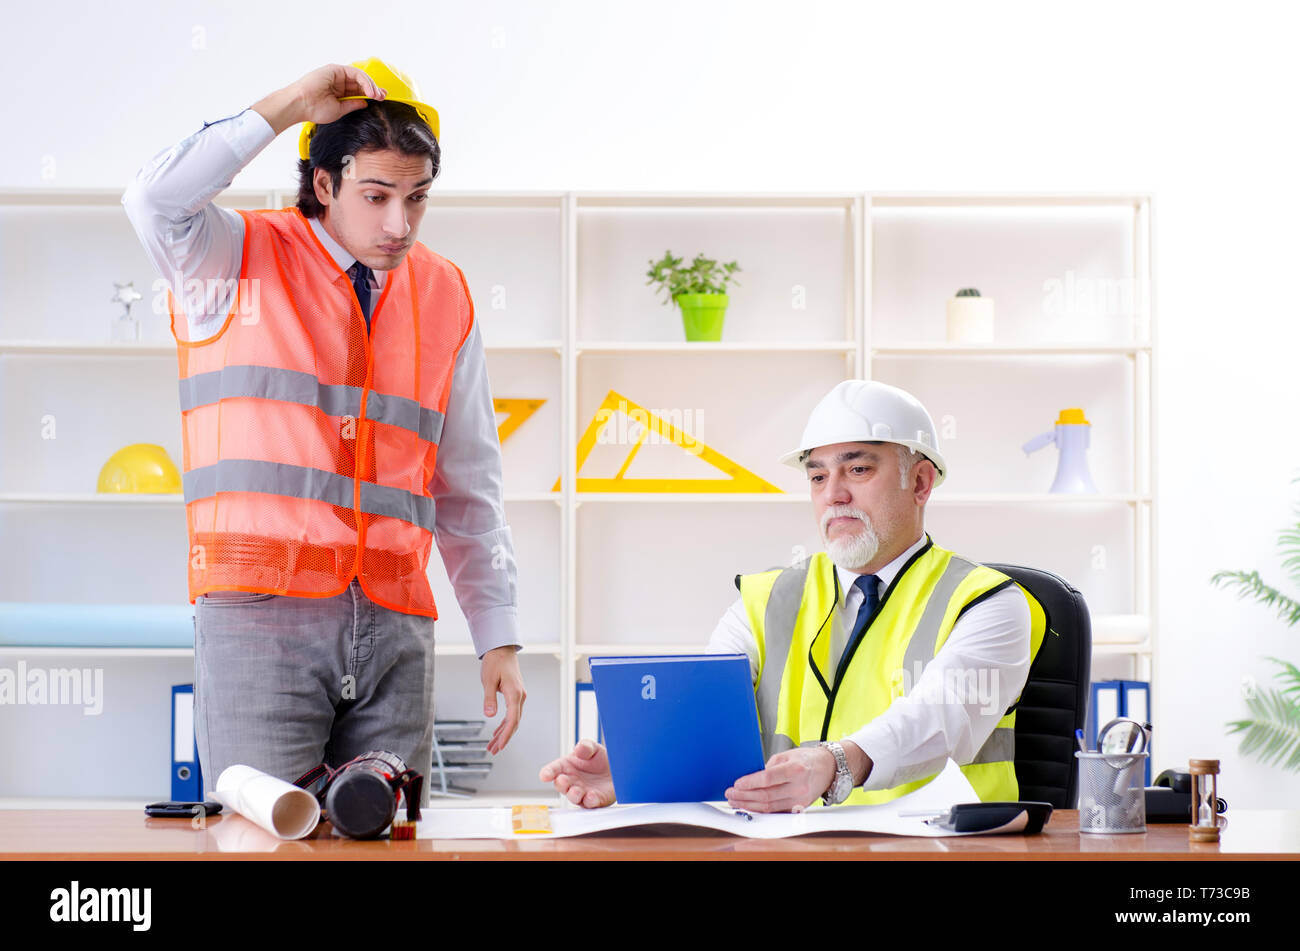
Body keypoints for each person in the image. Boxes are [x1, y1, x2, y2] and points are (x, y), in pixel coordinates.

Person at [123, 60, 526, 804]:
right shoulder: (228, 256)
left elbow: (470, 484)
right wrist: (287, 106)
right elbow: (151, 197)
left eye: (417, 199)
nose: (398, 224)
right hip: (260, 615)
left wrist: (495, 630)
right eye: (376, 196)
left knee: (390, 838)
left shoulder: (446, 292)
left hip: (397, 627)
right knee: (264, 835)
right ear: (324, 184)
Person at [540, 379, 1046, 812]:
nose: (834, 494)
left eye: (858, 470)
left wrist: (834, 765)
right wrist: (642, 772)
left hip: (934, 851)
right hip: (790, 848)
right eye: (818, 476)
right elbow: (702, 715)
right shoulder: (767, 599)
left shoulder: (988, 602)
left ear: (920, 481)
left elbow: (940, 720)